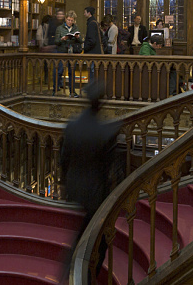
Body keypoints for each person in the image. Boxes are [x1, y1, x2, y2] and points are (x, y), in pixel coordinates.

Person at [60, 80, 120, 280]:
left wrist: (62, 184)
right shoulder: (106, 132)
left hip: (74, 189)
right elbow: (112, 171)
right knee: (98, 239)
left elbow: (64, 159)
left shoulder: (73, 126)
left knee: (80, 237)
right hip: (95, 195)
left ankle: (71, 270)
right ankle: (84, 274)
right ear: (100, 103)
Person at [54, 10, 82, 95]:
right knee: (59, 71)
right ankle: (55, 90)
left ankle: (72, 91)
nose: (70, 22)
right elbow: (56, 41)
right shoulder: (60, 28)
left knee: (72, 72)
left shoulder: (75, 28)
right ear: (66, 19)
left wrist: (77, 37)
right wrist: (62, 39)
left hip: (71, 52)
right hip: (62, 51)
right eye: (69, 20)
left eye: (72, 20)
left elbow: (80, 41)